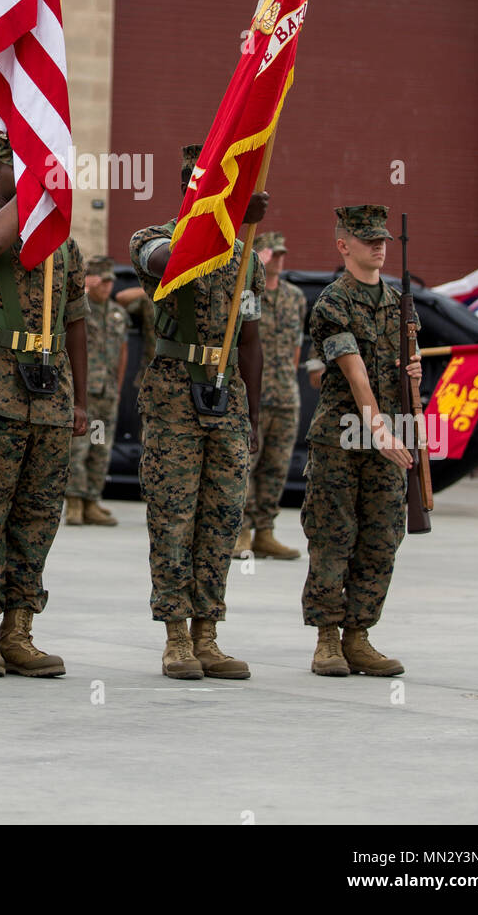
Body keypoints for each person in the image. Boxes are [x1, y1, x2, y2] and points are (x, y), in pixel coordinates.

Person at [0, 132, 88, 678]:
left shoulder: (63, 243)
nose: (27, 170)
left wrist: (80, 397)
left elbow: (76, 320)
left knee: (38, 519)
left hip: (50, 399)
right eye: (16, 162)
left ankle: (19, 630)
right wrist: (33, 192)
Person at [130, 143, 267, 681]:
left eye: (218, 183)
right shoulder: (153, 239)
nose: (208, 190)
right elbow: (170, 262)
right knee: (173, 517)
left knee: (220, 519)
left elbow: (250, 339)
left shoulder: (248, 254)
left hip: (226, 397)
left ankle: (208, 632)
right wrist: (224, 220)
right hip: (172, 396)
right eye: (200, 182)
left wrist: (251, 413)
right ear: (188, 186)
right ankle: (176, 638)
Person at [303, 205, 419, 678]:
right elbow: (355, 373)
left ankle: (359, 636)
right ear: (343, 245)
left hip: (388, 438)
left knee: (383, 536)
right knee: (334, 536)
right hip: (342, 439)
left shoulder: (400, 304)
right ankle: (327, 640)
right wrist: (378, 427)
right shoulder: (332, 304)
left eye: (383, 239)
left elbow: (404, 378)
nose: (379, 245)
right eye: (368, 238)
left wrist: (414, 374)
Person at [233, 231, 305, 560]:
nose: (278, 260)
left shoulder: (295, 297)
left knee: (276, 469)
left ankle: (266, 532)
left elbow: (296, 349)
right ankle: (241, 531)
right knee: (245, 466)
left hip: (286, 397)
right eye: (272, 254)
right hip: (252, 396)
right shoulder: (247, 293)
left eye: (282, 254)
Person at [64, 255, 129, 527]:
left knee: (100, 447)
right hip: (84, 394)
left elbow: (123, 352)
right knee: (78, 447)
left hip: (106, 394)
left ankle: (92, 500)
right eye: (102, 282)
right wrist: (84, 289)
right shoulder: (79, 309)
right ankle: (74, 503)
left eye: (110, 282)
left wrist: (118, 384)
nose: (107, 287)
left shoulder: (117, 314)